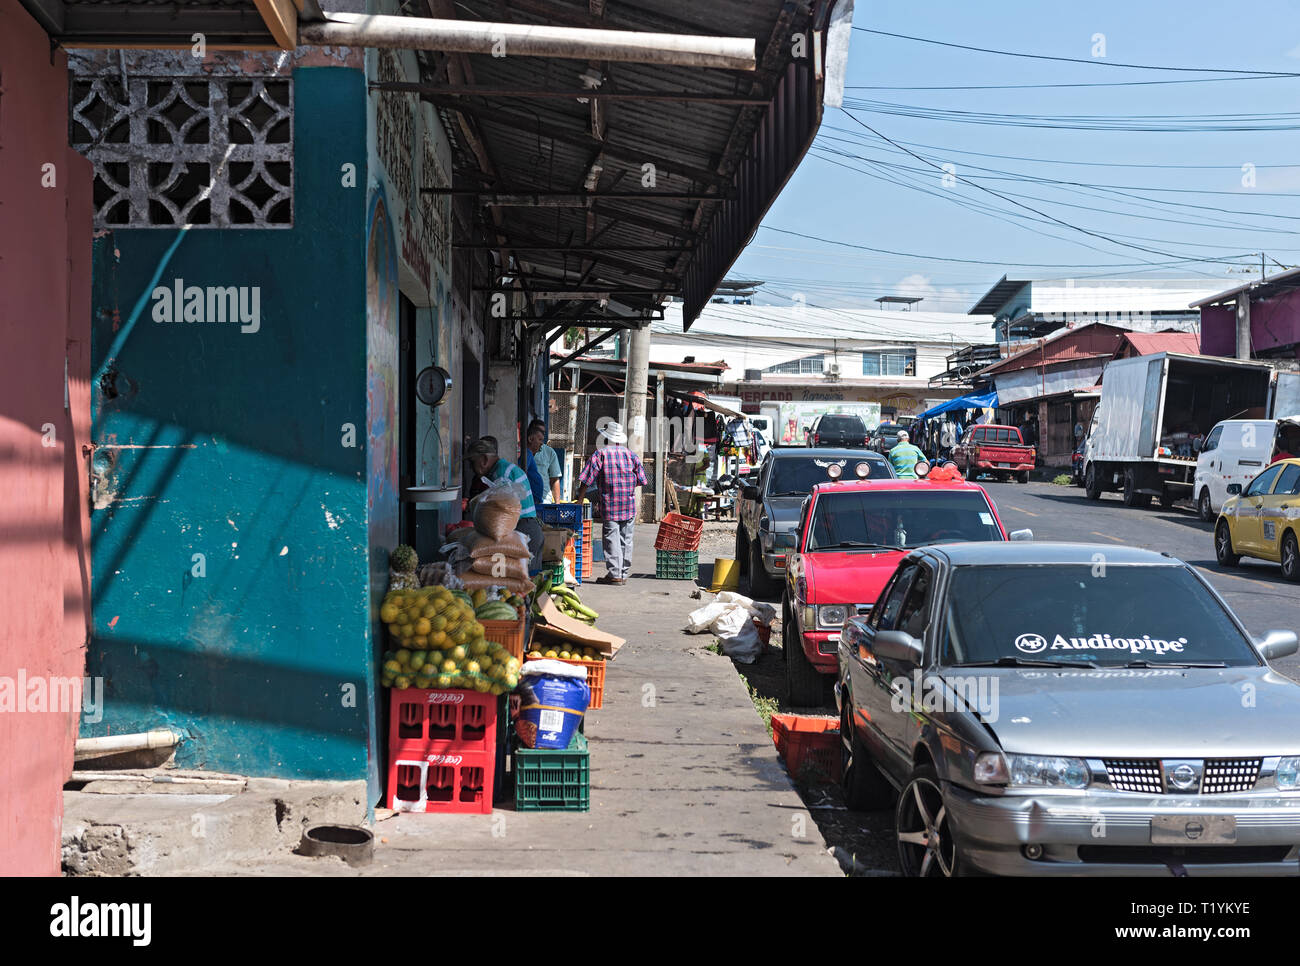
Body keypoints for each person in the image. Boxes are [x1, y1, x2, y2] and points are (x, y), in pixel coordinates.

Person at [576, 421, 648, 585]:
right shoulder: (631, 455)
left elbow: (586, 479)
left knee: (612, 539)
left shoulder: (600, 454)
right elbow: (642, 480)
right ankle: (622, 573)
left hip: (610, 505)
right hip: (628, 505)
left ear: (605, 437)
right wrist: (625, 485)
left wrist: (580, 499)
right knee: (626, 540)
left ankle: (615, 574)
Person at [465, 437, 544, 574]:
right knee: (528, 582)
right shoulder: (504, 468)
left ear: (484, 459)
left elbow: (500, 514)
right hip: (529, 529)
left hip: (524, 531)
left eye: (473, 462)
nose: (471, 468)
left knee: (523, 582)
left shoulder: (500, 474)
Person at [526, 419, 563, 503]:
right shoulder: (524, 453)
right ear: (531, 437)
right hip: (527, 500)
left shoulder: (549, 452)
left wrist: (557, 504)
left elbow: (554, 479)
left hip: (544, 501)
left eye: (543, 433)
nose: (541, 441)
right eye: (539, 432)